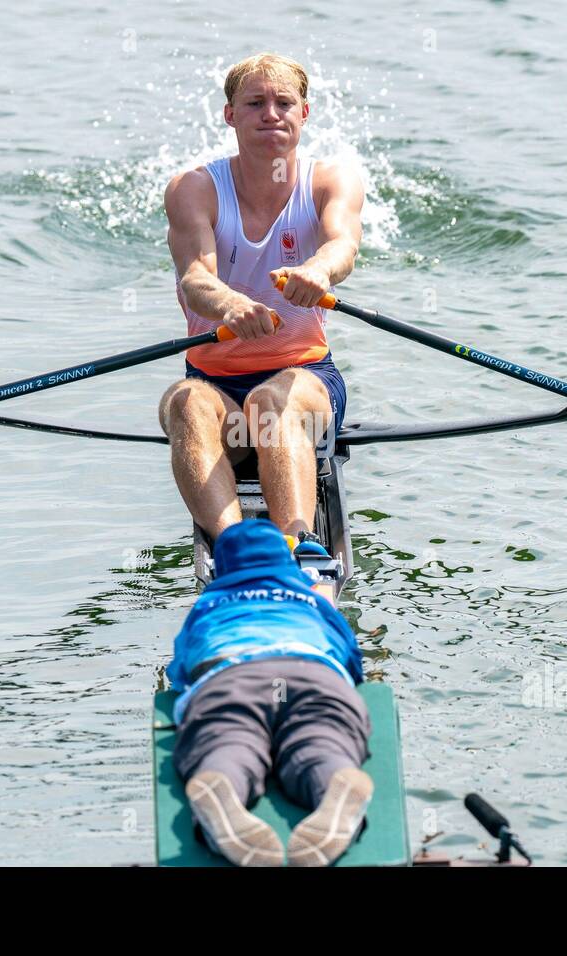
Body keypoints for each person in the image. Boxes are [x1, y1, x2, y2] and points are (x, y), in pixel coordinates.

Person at [158, 53, 364, 556]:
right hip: (214, 390)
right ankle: (238, 554)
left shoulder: (331, 180)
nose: (271, 113)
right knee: (183, 401)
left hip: (305, 380)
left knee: (270, 403)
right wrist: (229, 304)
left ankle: (298, 544)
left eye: (283, 102)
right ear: (230, 115)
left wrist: (317, 270)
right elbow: (195, 278)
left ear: (305, 113)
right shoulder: (194, 189)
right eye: (255, 103)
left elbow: (343, 246)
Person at [167, 518, 373, 866]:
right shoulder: (312, 601)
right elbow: (352, 658)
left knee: (230, 740)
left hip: (232, 672)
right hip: (312, 668)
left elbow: (181, 668)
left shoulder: (209, 604)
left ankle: (223, 781)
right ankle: (334, 776)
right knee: (320, 738)